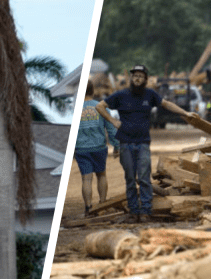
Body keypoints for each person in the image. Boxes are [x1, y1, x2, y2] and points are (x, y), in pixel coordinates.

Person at [96, 64, 197, 223]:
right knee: (130, 178)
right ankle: (133, 212)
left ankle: (145, 211)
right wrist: (112, 120)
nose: (137, 78)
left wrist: (185, 113)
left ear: (145, 79)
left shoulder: (150, 95)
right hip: (126, 143)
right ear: (131, 78)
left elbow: (167, 104)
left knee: (144, 178)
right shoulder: (121, 95)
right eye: (135, 75)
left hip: (143, 143)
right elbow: (100, 106)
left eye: (140, 76)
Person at [73, 80, 119, 217]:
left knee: (86, 179)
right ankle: (103, 205)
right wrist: (116, 145)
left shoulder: (75, 109)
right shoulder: (101, 107)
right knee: (101, 175)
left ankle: (88, 208)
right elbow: (111, 128)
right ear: (93, 91)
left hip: (81, 148)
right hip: (99, 147)